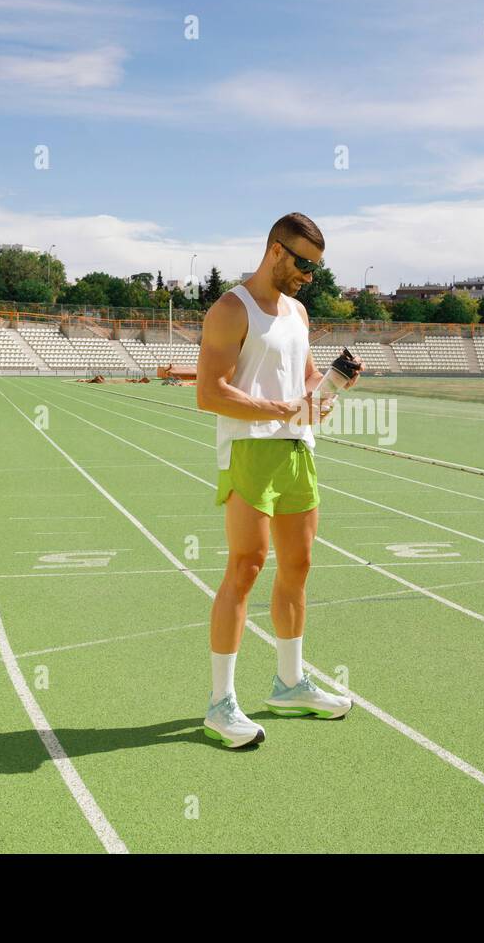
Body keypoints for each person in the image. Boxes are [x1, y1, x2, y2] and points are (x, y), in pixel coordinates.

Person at [195, 212, 361, 748]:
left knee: (299, 564)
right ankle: (221, 705)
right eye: (303, 265)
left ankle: (289, 683)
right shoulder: (229, 309)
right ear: (274, 251)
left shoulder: (297, 312)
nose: (309, 277)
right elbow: (210, 392)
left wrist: (327, 389)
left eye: (316, 268)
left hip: (297, 451)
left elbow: (307, 376)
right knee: (245, 566)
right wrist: (281, 408)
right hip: (250, 449)